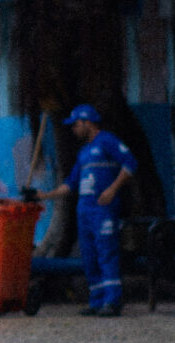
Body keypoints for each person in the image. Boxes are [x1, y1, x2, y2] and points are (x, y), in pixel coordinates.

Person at [35, 105, 136, 317]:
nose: (73, 129)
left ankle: (112, 300)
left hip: (103, 210)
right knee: (89, 256)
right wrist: (44, 196)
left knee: (106, 252)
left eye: (76, 124)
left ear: (87, 122)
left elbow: (130, 164)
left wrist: (112, 189)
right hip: (85, 211)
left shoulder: (107, 141)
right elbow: (70, 184)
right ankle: (97, 300)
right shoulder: (84, 153)